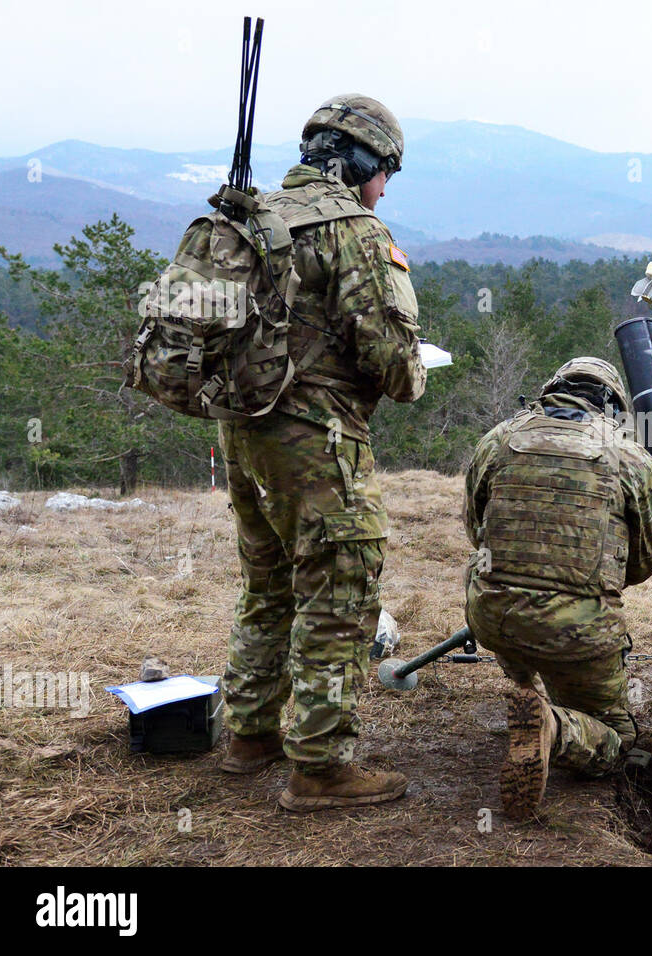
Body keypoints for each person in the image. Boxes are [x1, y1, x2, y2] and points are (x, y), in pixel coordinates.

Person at [217, 95, 427, 812]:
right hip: (316, 442)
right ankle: (321, 765)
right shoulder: (355, 230)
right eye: (385, 175)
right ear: (364, 163)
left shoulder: (248, 216)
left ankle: (248, 734)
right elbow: (394, 366)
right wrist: (417, 364)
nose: (384, 190)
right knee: (340, 589)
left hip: (242, 432)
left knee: (269, 583)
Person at [463, 358, 652, 819]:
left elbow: (476, 530)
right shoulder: (631, 456)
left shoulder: (498, 440)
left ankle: (525, 684)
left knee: (483, 571)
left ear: (550, 390)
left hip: (496, 619)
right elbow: (647, 559)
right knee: (620, 745)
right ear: (613, 406)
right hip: (578, 634)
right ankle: (555, 726)